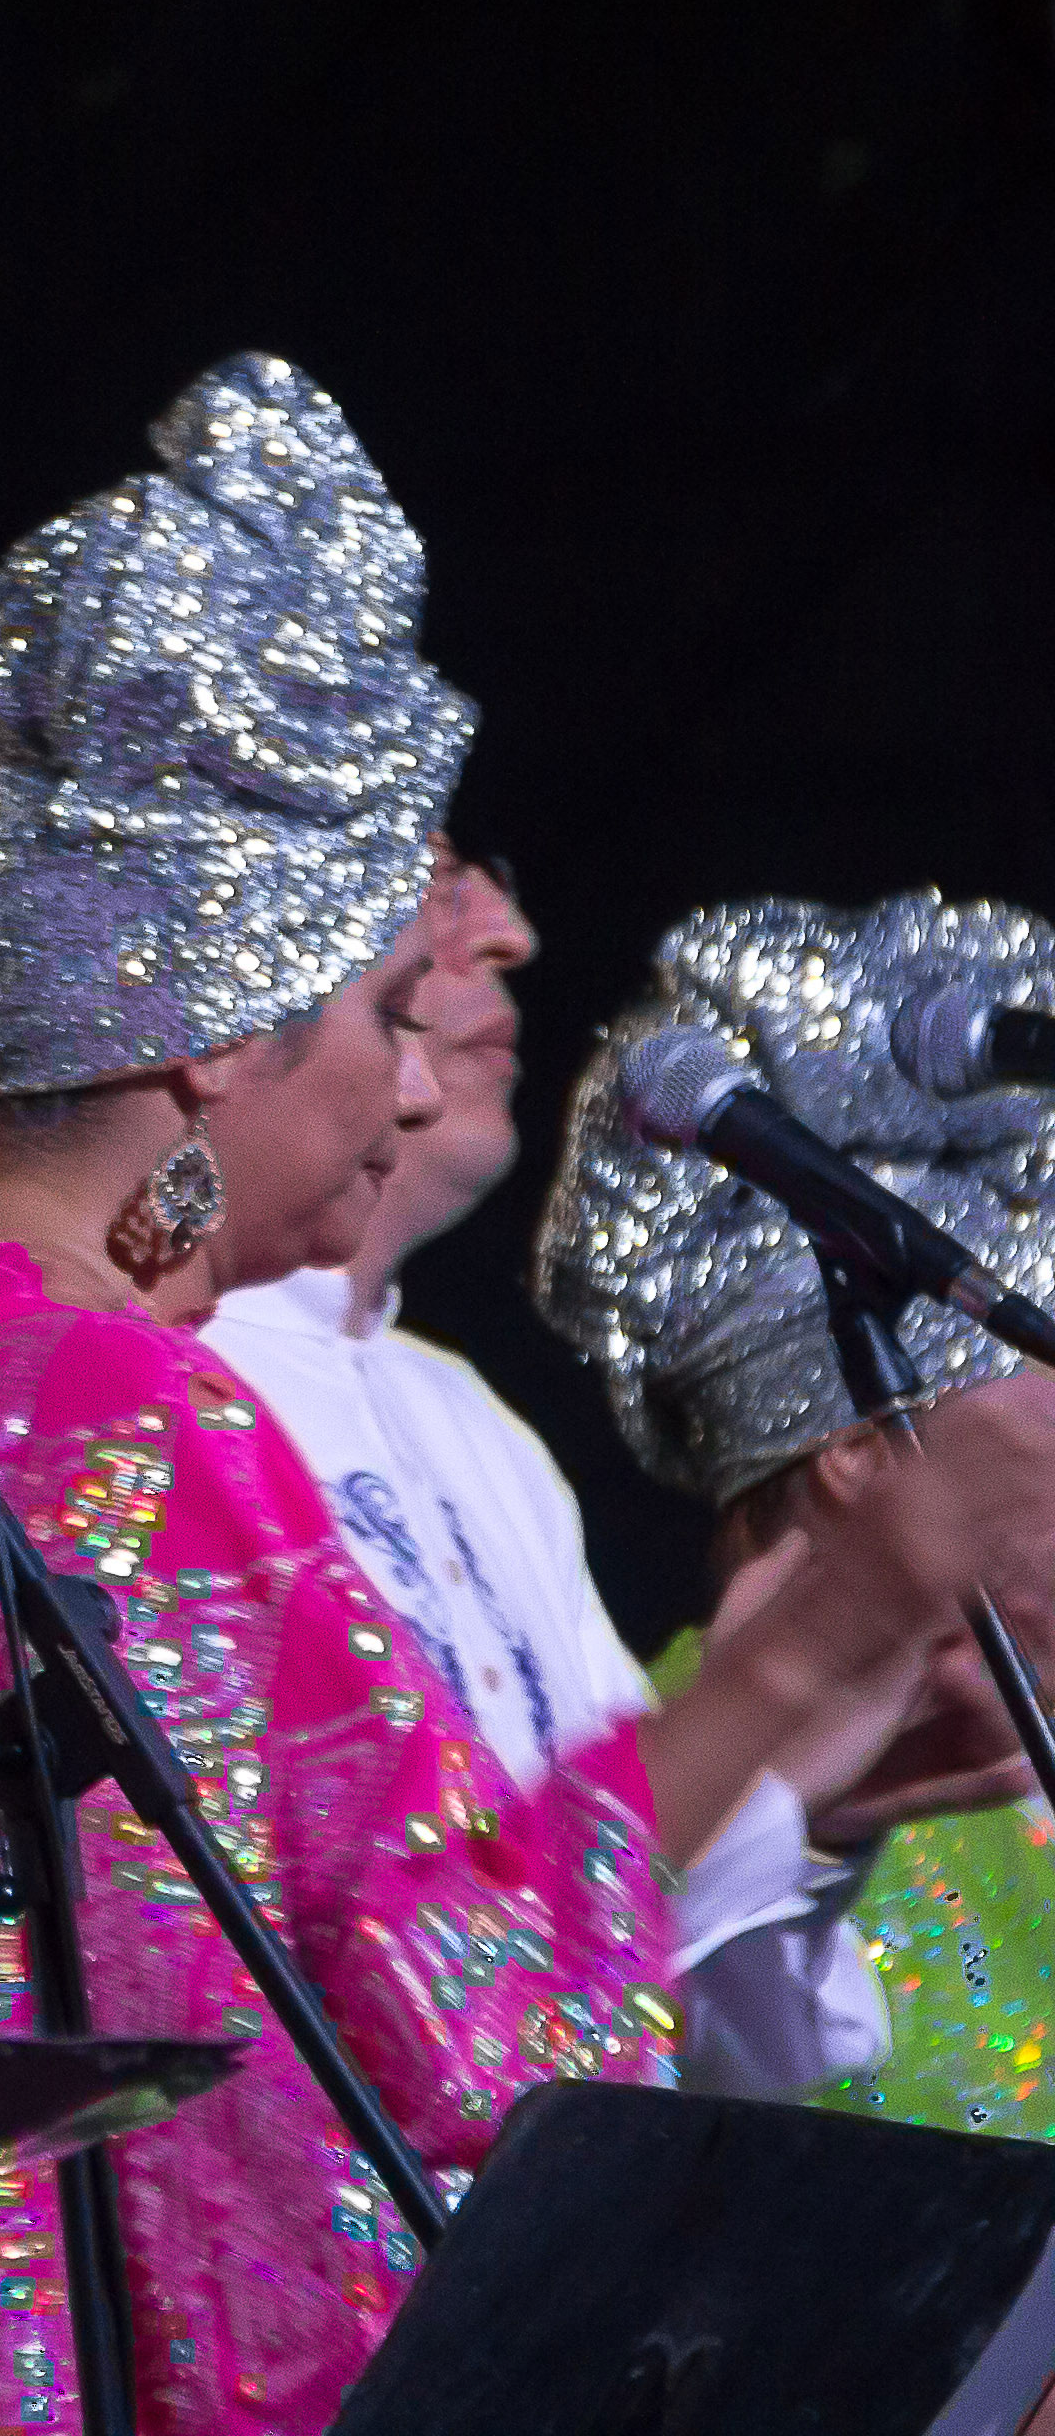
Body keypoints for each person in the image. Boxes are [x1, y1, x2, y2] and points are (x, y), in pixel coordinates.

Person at [0, 356, 968, 2436]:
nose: (411, 1083)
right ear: (215, 1037)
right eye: (371, 1013)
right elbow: (464, 2033)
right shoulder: (131, 1425)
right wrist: (819, 1658)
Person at [196, 851, 844, 2005]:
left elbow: (681, 1987)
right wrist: (821, 1648)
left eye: (493, 876)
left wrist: (853, 1743)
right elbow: (392, 1982)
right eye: (429, 876)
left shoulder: (473, 1427)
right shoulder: (157, 1390)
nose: (507, 931)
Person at [531, 890, 1055, 2128]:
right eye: (1029, 1443)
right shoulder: (668, 1767)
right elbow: (717, 2050)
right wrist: (816, 1809)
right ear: (867, 1463)